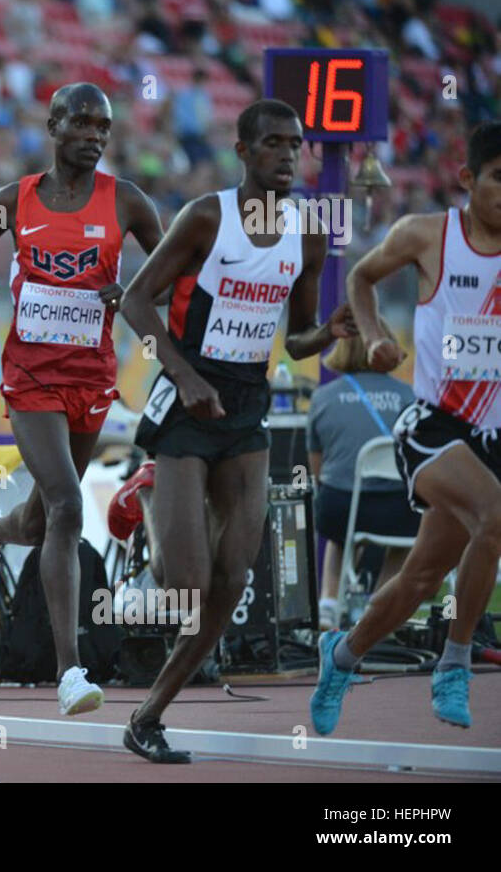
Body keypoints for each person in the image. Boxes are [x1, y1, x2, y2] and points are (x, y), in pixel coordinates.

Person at [118, 99, 357, 762]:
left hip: (248, 405)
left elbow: (300, 338)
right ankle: (148, 498)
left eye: (296, 144)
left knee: (230, 580)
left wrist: (329, 331)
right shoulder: (206, 217)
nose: (288, 154)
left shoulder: (308, 230)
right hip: (188, 401)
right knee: (187, 585)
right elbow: (135, 299)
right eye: (274, 143)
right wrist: (185, 376)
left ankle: (147, 716)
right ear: (244, 151)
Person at [0, 82, 165, 716]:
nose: (95, 136)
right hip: (31, 378)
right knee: (67, 507)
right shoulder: (17, 200)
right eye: (83, 124)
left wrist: (137, 293)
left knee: (39, 522)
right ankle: (71, 673)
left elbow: (175, 269)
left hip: (91, 378)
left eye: (105, 128)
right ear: (54, 126)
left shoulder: (128, 203)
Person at [312, 120, 501, 733]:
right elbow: (361, 277)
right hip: (432, 427)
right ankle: (455, 661)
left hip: (490, 440)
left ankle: (340, 655)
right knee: (497, 516)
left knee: (420, 576)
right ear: (470, 179)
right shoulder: (427, 235)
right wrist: (373, 336)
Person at [306, 319, 419, 629]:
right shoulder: (409, 395)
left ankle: (328, 603)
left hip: (341, 508)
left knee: (339, 532)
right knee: (403, 541)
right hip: (400, 510)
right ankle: (378, 606)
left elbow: (318, 473)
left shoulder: (323, 397)